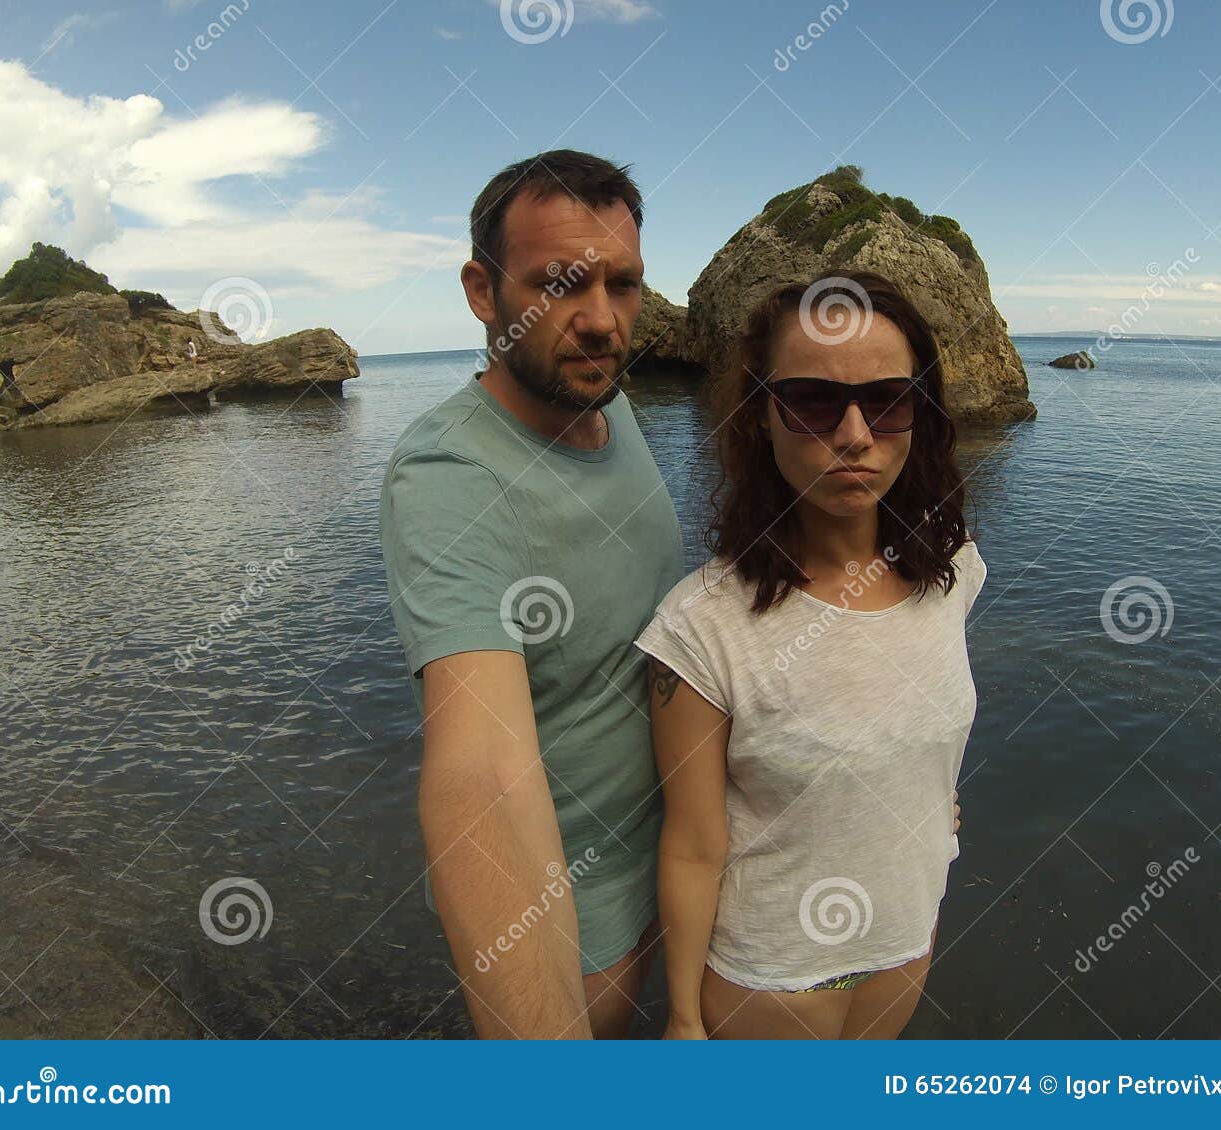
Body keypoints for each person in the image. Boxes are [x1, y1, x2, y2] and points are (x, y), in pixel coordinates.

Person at [379, 150, 684, 1039]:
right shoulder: (449, 475)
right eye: (560, 284)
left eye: (623, 286)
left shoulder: (607, 401)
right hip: (574, 912)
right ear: (484, 292)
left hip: (677, 852)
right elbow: (478, 769)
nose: (600, 321)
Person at [635, 272, 985, 1040]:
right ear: (761, 414)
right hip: (772, 984)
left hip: (905, 947)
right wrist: (684, 1020)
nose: (854, 434)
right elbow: (694, 845)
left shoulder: (956, 570)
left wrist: (932, 802)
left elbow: (909, 712)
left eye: (888, 400)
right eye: (814, 402)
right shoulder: (700, 628)